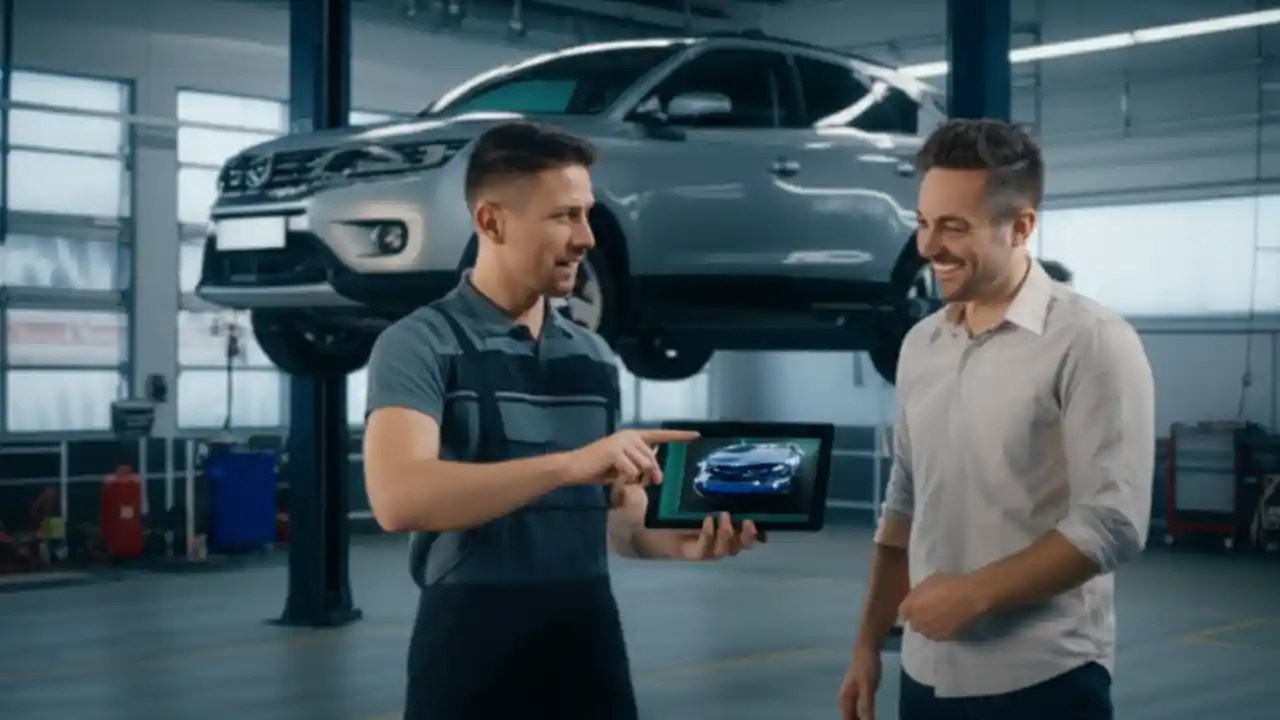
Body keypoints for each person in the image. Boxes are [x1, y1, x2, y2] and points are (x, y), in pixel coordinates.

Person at [361, 120, 761, 720]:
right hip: (471, 644)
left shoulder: (594, 356)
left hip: (586, 634)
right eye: (564, 217)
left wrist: (678, 545)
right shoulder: (418, 344)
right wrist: (570, 465)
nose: (587, 238)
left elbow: (620, 523)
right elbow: (399, 498)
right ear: (491, 221)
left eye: (587, 214)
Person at [838, 118, 1155, 720]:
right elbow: (904, 504)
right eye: (923, 223)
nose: (928, 248)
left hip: (1043, 680)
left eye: (954, 228)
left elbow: (1113, 521)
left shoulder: (1091, 341)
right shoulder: (920, 345)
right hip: (923, 676)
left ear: (1022, 227)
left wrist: (973, 595)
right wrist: (867, 644)